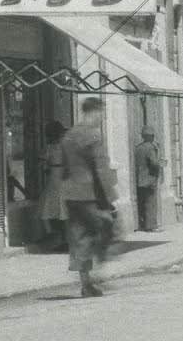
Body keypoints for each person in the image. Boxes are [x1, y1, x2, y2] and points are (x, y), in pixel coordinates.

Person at [60, 97, 116, 297]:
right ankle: (100, 271)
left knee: (79, 237)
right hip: (90, 193)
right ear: (94, 112)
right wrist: (109, 198)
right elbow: (100, 169)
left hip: (71, 194)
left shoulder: (69, 136)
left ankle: (86, 284)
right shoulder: (93, 135)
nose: (102, 117)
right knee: (108, 228)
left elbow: (63, 166)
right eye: (101, 113)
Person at [39, 120, 68, 250]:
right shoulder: (65, 146)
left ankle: (55, 236)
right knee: (62, 207)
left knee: (50, 206)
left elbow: (42, 163)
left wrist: (46, 167)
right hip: (62, 175)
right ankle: (64, 238)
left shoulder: (49, 148)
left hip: (54, 176)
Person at [133, 125, 162, 231]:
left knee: (142, 202)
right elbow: (154, 162)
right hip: (150, 179)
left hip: (140, 179)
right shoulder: (150, 147)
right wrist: (159, 164)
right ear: (151, 136)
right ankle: (152, 226)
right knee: (151, 203)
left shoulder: (138, 148)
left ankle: (143, 224)